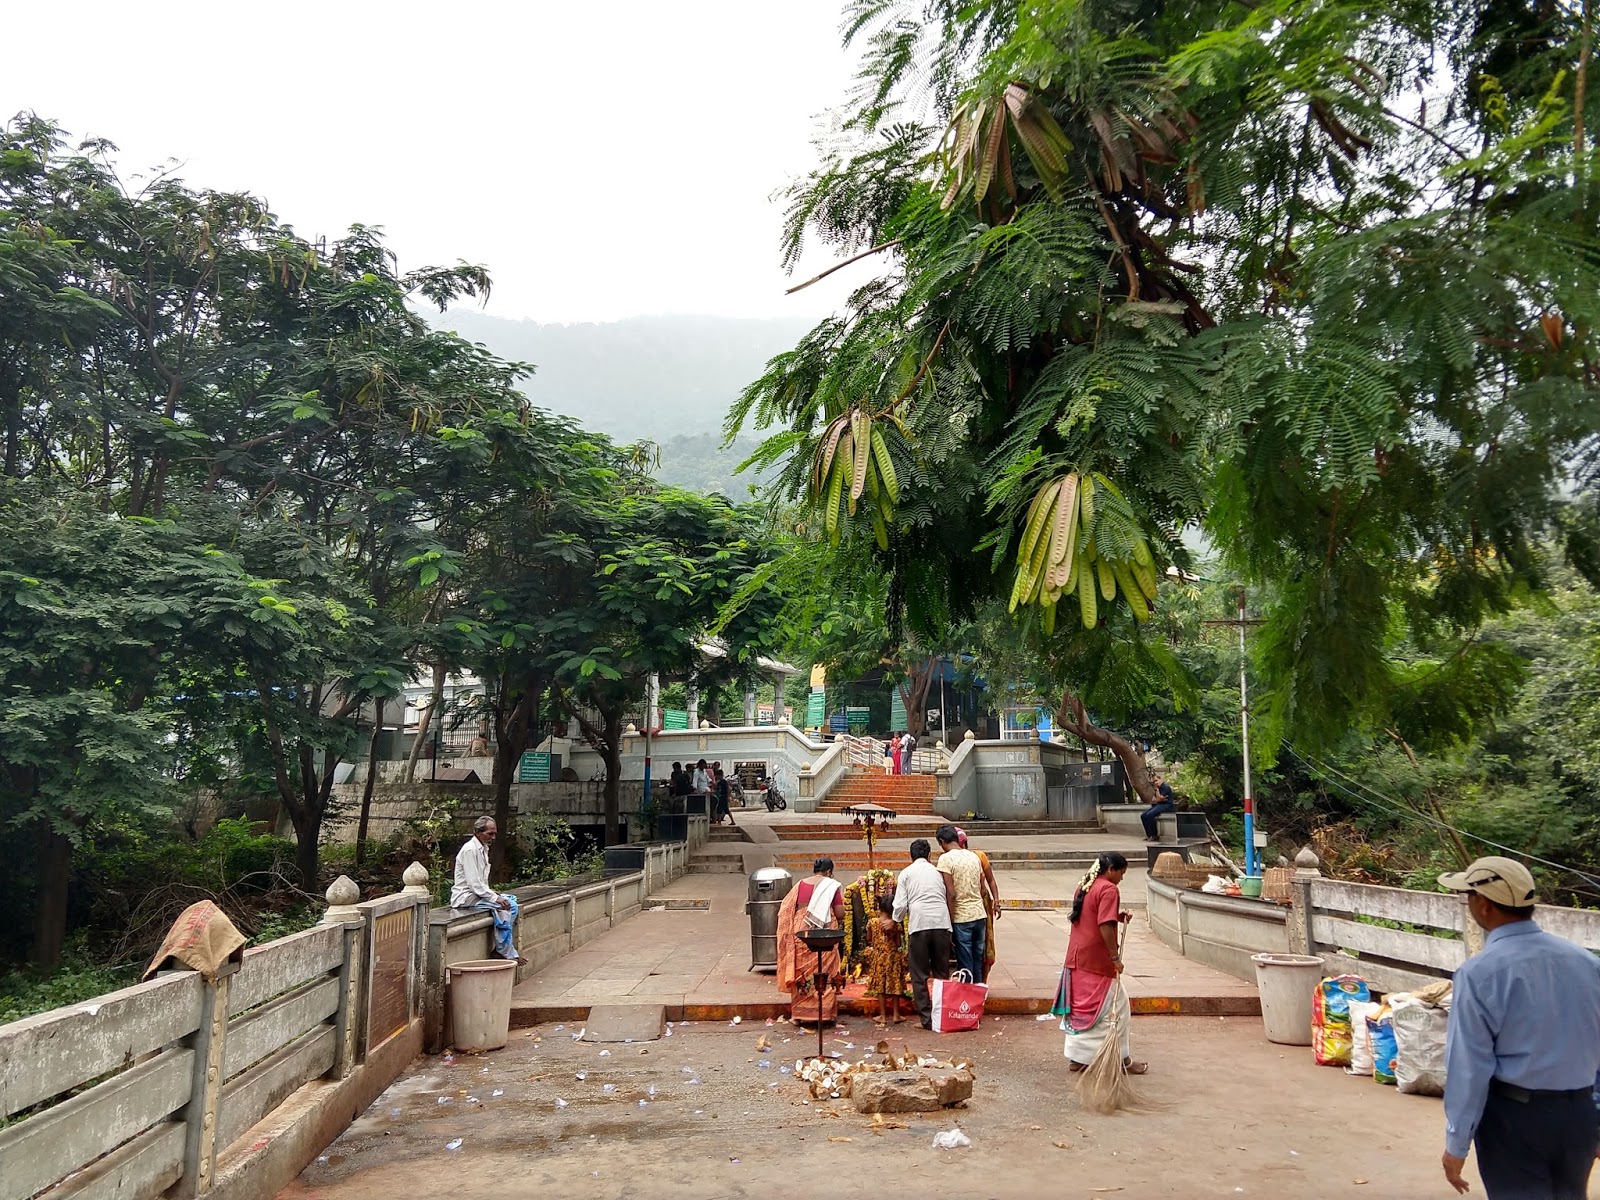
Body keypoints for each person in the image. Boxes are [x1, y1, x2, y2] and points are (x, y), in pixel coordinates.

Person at [1437, 856, 1600, 1198]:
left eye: (1468, 896)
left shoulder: (1479, 973)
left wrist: (1456, 1143)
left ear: (1482, 904)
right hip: (1578, 1116)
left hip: (1516, 1120)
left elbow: (1469, 1067)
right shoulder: (1587, 963)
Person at [1053, 852, 1143, 1074]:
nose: (1122, 878)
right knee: (1117, 1008)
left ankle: (1078, 1058)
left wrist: (1117, 916)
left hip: (1076, 958)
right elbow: (1104, 924)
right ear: (1111, 869)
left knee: (1080, 1010)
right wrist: (1115, 957)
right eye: (1122, 873)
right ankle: (1121, 1058)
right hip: (1096, 961)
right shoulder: (1109, 889)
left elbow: (1090, 914)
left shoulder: (1085, 885)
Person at [776, 857, 846, 1024]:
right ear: (829, 872)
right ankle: (825, 1014)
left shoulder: (800, 885)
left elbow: (786, 909)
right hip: (825, 930)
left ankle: (799, 1014)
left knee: (802, 971)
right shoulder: (831, 886)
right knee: (826, 970)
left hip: (802, 930)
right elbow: (840, 913)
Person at [893, 839, 954, 1029]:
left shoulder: (906, 874)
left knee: (919, 974)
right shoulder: (937, 872)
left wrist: (895, 921)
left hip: (919, 925)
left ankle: (927, 1020)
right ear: (929, 855)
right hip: (941, 923)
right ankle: (942, 1014)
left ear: (910, 856)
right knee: (941, 973)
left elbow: (900, 905)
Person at [450, 817, 527, 966]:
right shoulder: (470, 850)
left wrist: (494, 895)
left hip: (477, 894)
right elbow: (474, 884)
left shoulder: (482, 847)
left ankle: (503, 948)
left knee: (510, 900)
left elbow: (480, 883)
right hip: (466, 896)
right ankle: (505, 950)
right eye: (490, 833)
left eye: (494, 834)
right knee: (507, 906)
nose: (493, 837)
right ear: (478, 832)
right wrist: (494, 898)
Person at [956, 827, 1001, 982]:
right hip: (966, 906)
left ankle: (981, 983)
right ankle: (975, 985)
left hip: (981, 905)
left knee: (984, 947)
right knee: (972, 950)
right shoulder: (951, 858)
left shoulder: (978, 856)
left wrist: (996, 901)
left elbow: (991, 880)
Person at [867, 894, 908, 1027]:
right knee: (895, 984)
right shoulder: (896, 925)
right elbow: (897, 943)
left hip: (879, 957)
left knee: (881, 987)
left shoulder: (873, 923)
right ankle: (896, 1014)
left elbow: (869, 939)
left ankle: (883, 1016)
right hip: (893, 957)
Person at [1140, 773, 1176, 841]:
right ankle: (1149, 835)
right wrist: (1159, 798)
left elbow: (1160, 798)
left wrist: (1158, 796)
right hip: (1159, 804)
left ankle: (1154, 835)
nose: (1155, 782)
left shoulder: (1165, 787)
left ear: (1161, 779)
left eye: (1156, 780)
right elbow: (1154, 800)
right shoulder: (1157, 788)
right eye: (1154, 781)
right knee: (1143, 815)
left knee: (1150, 815)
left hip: (1167, 805)